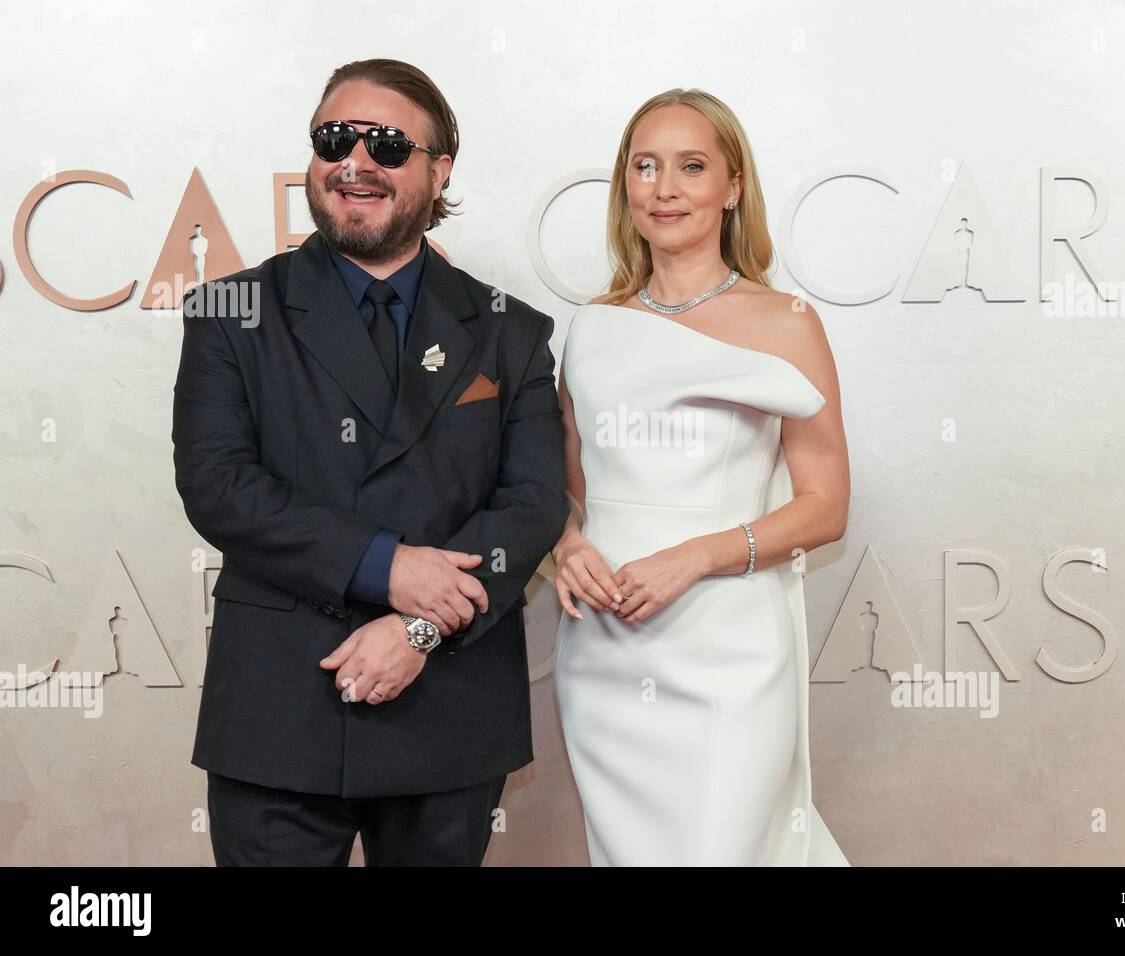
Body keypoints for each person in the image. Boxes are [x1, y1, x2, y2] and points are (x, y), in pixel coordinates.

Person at [171, 58, 568, 865]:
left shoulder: (511, 331)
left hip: (449, 710)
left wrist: (419, 626)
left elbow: (531, 507)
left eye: (386, 144)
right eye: (334, 139)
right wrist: (383, 568)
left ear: (438, 170)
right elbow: (218, 485)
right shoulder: (228, 313)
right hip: (279, 714)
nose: (355, 162)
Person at [551, 88, 852, 865]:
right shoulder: (592, 326)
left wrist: (696, 555)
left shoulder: (785, 321)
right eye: (645, 166)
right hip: (607, 652)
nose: (665, 188)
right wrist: (566, 543)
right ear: (625, 186)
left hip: (729, 651)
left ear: (732, 188)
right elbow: (565, 488)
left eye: (691, 166)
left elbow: (825, 508)